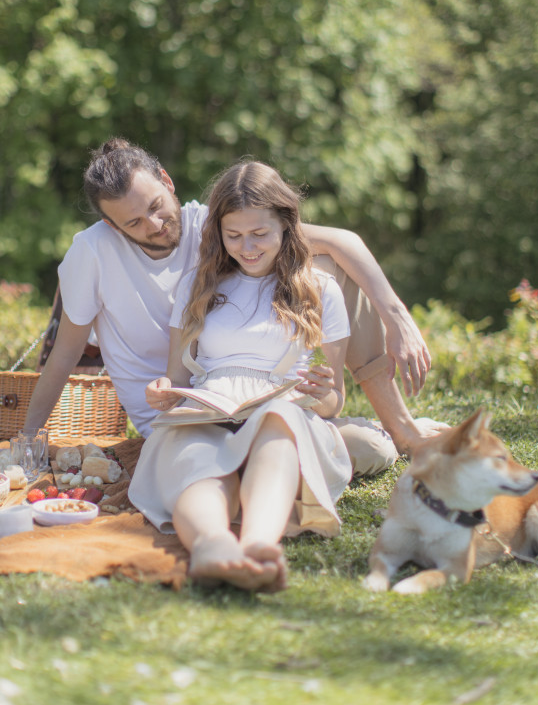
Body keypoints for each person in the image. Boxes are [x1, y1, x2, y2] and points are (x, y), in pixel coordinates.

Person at [23, 137, 440, 466]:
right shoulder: (91, 253)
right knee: (323, 446)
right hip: (181, 411)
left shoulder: (214, 226)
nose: (154, 224)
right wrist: (25, 444)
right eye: (133, 222)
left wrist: (397, 318)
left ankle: (398, 427)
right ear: (110, 225)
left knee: (328, 264)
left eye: (156, 206)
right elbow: (63, 357)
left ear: (167, 181)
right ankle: (311, 446)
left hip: (254, 395)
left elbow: (341, 241)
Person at [128, 161, 355, 591]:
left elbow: (333, 401)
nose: (246, 247)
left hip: (282, 411)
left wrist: (324, 393)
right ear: (218, 231)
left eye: (259, 234)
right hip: (209, 408)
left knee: (279, 423)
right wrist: (163, 391)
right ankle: (213, 546)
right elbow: (175, 378)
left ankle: (256, 546)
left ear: (287, 226)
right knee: (197, 455)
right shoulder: (198, 283)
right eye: (233, 236)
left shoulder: (320, 288)